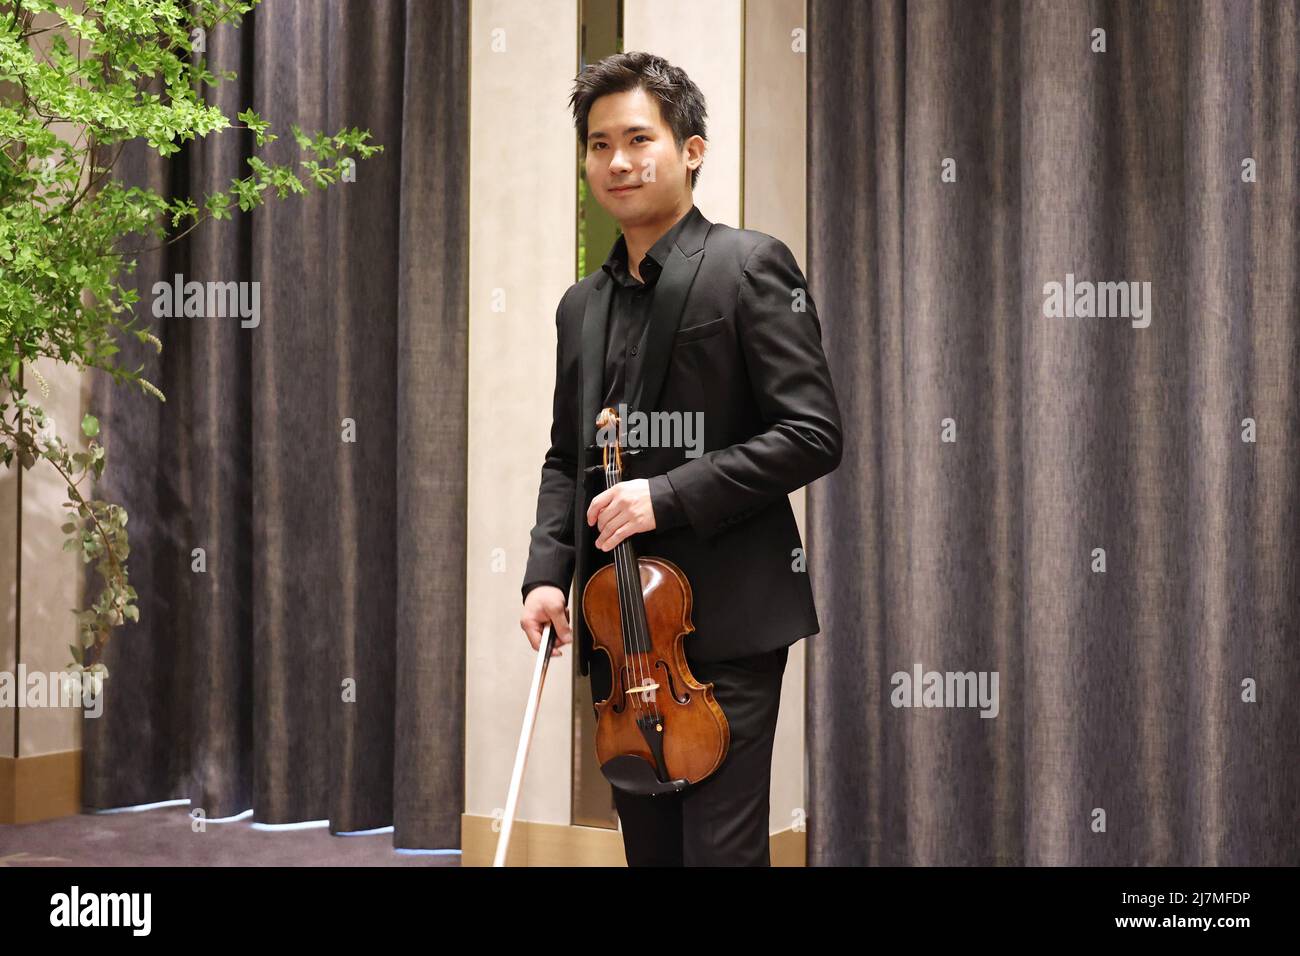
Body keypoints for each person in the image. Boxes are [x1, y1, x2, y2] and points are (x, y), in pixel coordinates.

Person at [518, 51, 842, 866]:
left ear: (691, 149)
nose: (618, 162)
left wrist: (665, 495)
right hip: (620, 638)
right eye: (598, 145)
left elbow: (811, 432)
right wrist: (546, 574)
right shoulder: (579, 307)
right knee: (653, 858)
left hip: (726, 626)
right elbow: (570, 458)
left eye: (638, 139)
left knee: (721, 859)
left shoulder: (748, 266)